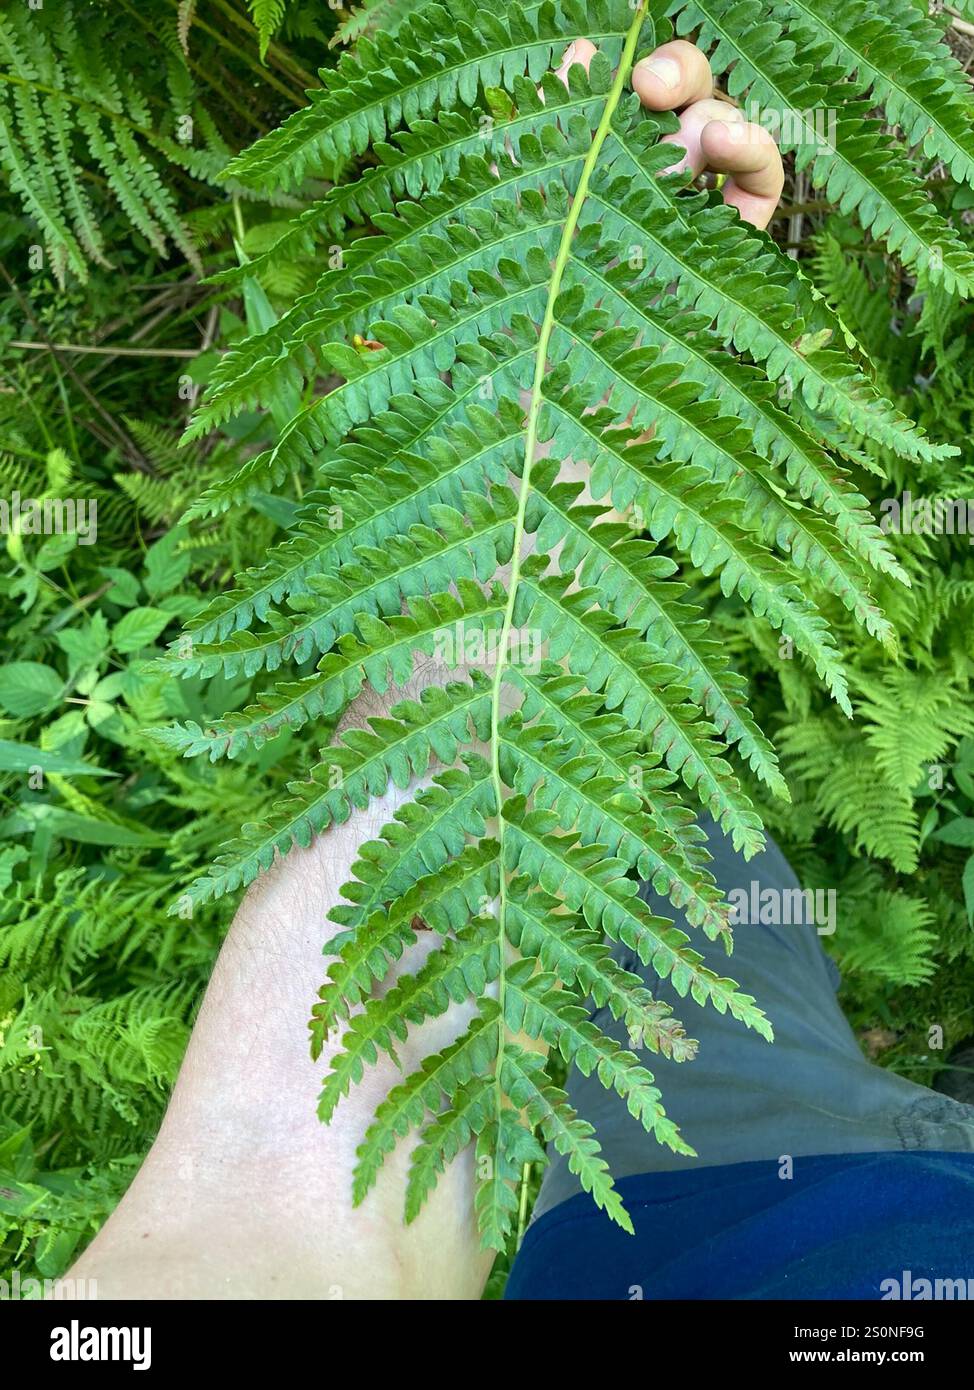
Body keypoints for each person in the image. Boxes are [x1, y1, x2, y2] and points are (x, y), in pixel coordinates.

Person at [67, 37, 974, 1302]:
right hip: (783, 1152)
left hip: (696, 1171)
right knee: (710, 883)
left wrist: (561, 463)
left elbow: (295, 1176)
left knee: (691, 883)